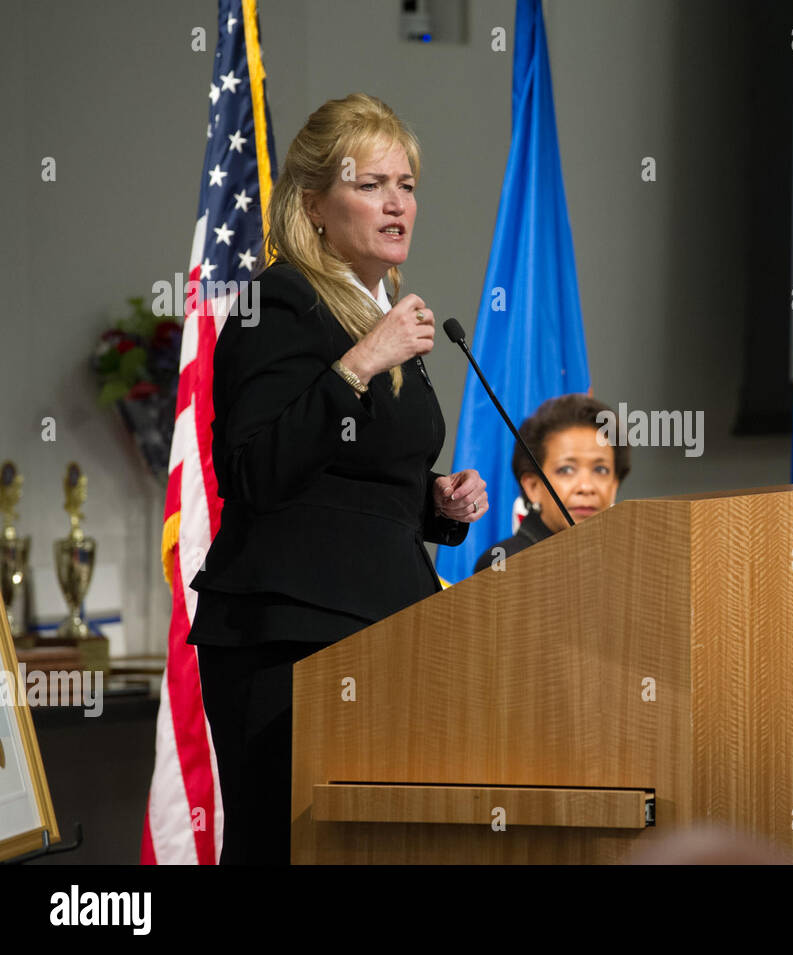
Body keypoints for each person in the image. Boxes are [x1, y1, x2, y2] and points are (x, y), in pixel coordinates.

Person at [187, 93, 489, 865]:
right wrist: (357, 365)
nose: (397, 204)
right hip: (289, 639)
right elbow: (253, 471)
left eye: (408, 185)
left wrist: (434, 500)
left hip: (388, 631)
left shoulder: (377, 314)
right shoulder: (277, 302)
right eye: (371, 184)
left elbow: (349, 479)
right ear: (314, 204)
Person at [472, 394, 630, 573]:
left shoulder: (633, 562)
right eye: (566, 470)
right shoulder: (504, 564)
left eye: (601, 470)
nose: (586, 487)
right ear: (533, 486)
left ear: (615, 484)